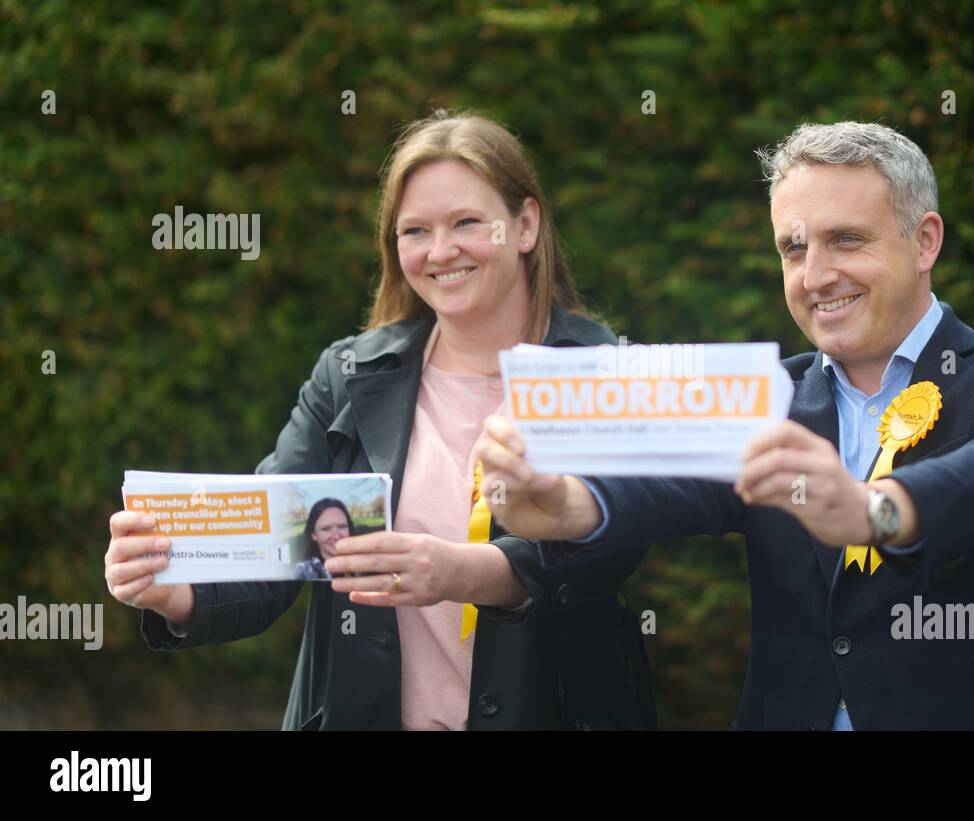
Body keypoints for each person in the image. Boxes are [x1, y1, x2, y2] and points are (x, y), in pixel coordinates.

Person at [475, 121, 974, 730]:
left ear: (925, 241)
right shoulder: (773, 395)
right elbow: (669, 483)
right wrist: (565, 503)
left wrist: (875, 512)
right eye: (794, 249)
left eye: (846, 240)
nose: (815, 275)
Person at [104, 110, 654, 730]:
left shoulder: (603, 372)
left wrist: (458, 572)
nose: (440, 251)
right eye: (415, 230)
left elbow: (612, 545)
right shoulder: (345, 374)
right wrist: (172, 593)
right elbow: (276, 548)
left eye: (467, 223)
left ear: (525, 225)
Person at [291, 499, 353, 581]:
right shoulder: (303, 573)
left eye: (342, 526)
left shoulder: (364, 565)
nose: (336, 536)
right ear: (313, 534)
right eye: (326, 529)